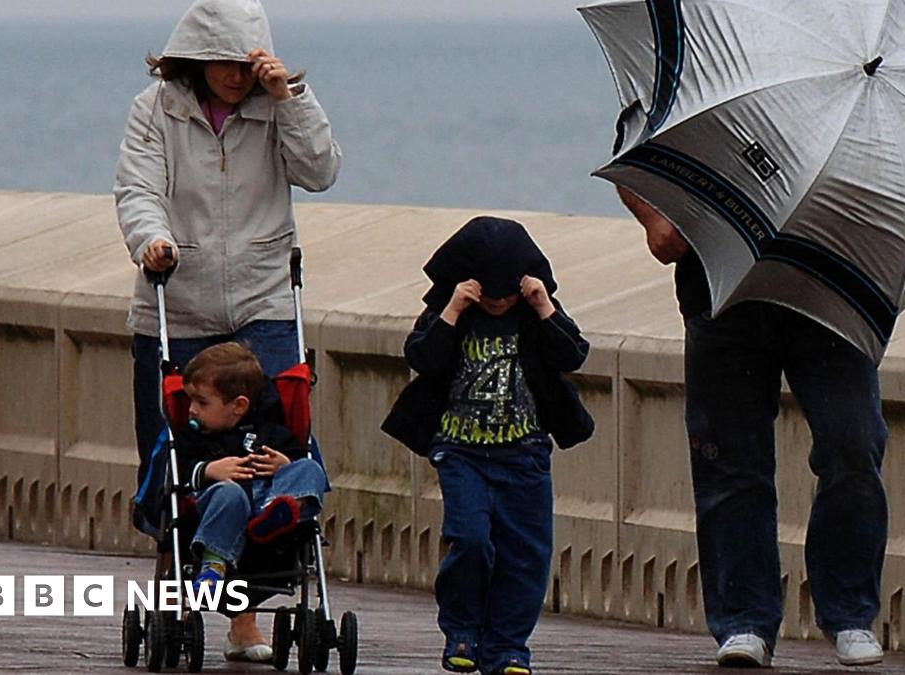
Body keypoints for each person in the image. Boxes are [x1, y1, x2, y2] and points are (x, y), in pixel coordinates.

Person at [114, 0, 341, 660]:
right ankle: (172, 588)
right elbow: (138, 187)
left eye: (247, 65)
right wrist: (152, 240)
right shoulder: (154, 109)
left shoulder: (275, 103)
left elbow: (321, 170)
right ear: (194, 57)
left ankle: (244, 618)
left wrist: (290, 97)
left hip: (263, 298)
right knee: (175, 456)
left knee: (277, 438)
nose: (238, 77)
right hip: (176, 300)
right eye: (225, 64)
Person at [617, 187, 888, 668]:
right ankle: (745, 620)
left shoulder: (865, 111)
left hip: (833, 297)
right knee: (729, 468)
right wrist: (657, 212)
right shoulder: (688, 106)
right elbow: (639, 162)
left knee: (855, 445)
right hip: (722, 297)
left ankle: (849, 614)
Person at [382, 217, 593, 675]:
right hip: (461, 453)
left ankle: (507, 646)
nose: (499, 305)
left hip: (526, 455)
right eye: (491, 298)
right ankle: (461, 628)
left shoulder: (534, 313)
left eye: (507, 297)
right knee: (472, 539)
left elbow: (572, 355)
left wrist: (542, 304)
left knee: (525, 554)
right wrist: (454, 309)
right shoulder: (450, 310)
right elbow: (422, 357)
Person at [177, 343, 327, 588]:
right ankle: (214, 564)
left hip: (267, 498)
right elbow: (179, 471)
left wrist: (284, 464)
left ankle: (277, 514)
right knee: (229, 492)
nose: (192, 410)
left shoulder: (270, 431)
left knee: (310, 469)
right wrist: (208, 470)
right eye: (190, 401)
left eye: (202, 403)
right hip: (221, 503)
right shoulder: (194, 438)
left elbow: (296, 459)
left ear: (238, 406)